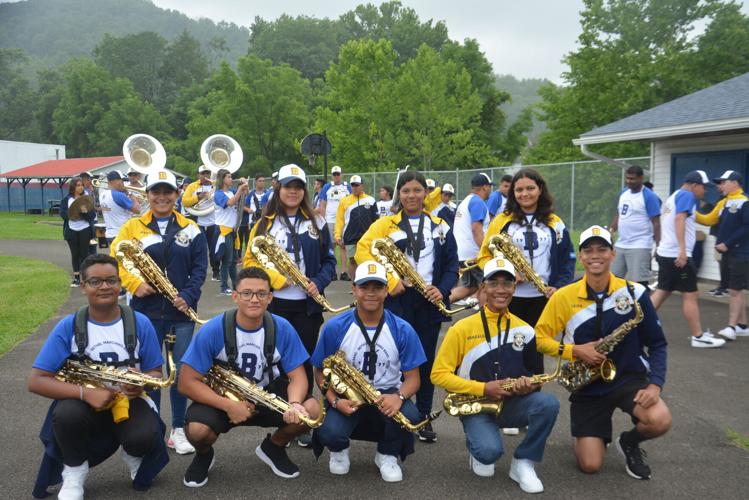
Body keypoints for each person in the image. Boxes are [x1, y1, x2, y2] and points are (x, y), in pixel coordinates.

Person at [535, 225, 671, 480]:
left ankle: (629, 442)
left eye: (602, 249)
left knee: (660, 419)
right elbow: (540, 340)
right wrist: (574, 351)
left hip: (628, 379)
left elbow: (657, 344)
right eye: (588, 250)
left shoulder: (635, 293)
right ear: (581, 255)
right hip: (588, 386)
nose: (595, 255)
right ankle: (594, 435)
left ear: (613, 254)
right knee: (590, 465)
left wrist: (655, 385)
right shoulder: (563, 296)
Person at [28, 254, 168, 499]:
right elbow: (37, 380)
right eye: (95, 281)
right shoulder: (69, 326)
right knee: (65, 414)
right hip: (83, 403)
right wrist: (86, 393)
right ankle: (74, 470)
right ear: (83, 287)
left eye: (111, 280)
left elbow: (156, 371)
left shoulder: (139, 322)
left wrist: (142, 380)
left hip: (129, 401)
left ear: (120, 283)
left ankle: (134, 453)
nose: (104, 286)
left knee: (146, 435)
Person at [178, 267, 321, 485]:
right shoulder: (213, 329)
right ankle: (204, 455)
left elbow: (298, 377)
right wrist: (227, 405)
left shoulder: (282, 327)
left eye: (261, 294)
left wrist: (294, 403)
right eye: (247, 293)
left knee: (310, 411)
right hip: (225, 396)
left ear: (270, 297)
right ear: (235, 296)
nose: (254, 299)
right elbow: (186, 383)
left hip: (265, 395)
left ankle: (274, 447)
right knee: (197, 431)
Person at [431, 257, 559, 492]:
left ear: (514, 288)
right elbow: (438, 375)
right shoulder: (461, 328)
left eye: (507, 283)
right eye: (494, 283)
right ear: (483, 288)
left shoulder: (526, 330)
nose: (501, 290)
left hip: (511, 404)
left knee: (548, 404)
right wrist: (483, 388)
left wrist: (527, 386)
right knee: (488, 455)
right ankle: (478, 444)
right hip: (476, 405)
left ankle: (524, 462)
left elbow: (534, 377)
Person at [355, 170, 458, 444]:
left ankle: (422, 416)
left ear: (426, 193)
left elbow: (451, 265)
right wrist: (389, 280)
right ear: (399, 195)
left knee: (424, 361)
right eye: (406, 191)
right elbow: (362, 251)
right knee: (393, 359)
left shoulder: (440, 225)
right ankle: (393, 410)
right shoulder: (385, 224)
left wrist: (443, 289)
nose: (411, 195)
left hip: (429, 301)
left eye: (417, 190)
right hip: (398, 300)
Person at [112, 169, 208, 455]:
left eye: (168, 192)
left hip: (181, 314)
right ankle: (153, 427)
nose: (162, 197)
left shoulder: (191, 228)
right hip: (145, 313)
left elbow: (200, 268)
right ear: (148, 195)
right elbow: (119, 260)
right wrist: (134, 284)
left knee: (180, 374)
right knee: (150, 373)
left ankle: (178, 429)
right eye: (156, 192)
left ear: (176, 195)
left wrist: (188, 296)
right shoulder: (132, 227)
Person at [243, 163, 337, 446]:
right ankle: (282, 413)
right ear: (278, 189)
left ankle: (303, 420)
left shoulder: (317, 221)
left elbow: (330, 261)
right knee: (277, 362)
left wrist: (317, 282)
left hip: (307, 306)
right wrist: (274, 279)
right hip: (275, 306)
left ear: (303, 191)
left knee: (304, 360)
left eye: (298, 187)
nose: (293, 191)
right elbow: (249, 262)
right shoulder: (263, 223)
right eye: (288, 186)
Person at [311, 260, 426, 482]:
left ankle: (387, 454)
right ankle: (339, 450)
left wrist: (399, 397)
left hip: (386, 394)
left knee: (410, 414)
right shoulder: (336, 327)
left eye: (377, 288)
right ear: (354, 290)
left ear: (386, 291)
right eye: (364, 287)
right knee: (329, 429)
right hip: (348, 396)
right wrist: (335, 401)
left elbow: (413, 379)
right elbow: (319, 371)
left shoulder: (402, 329)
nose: (371, 294)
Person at [477, 167, 575, 333]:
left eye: (530, 188)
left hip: (543, 297)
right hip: (507, 297)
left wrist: (558, 286)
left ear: (540, 189)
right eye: (519, 190)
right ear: (512, 192)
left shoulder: (555, 221)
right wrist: (505, 270)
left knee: (536, 349)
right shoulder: (501, 221)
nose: (525, 194)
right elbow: (483, 257)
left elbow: (568, 258)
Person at [650, 170, 725, 348]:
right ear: (694, 185)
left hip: (666, 253)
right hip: (677, 256)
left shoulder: (675, 195)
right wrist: (682, 251)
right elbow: (679, 219)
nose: (705, 191)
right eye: (703, 187)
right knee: (691, 295)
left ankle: (635, 327)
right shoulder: (687, 196)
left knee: (662, 291)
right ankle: (698, 337)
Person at [695, 170, 749, 340]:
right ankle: (742, 326)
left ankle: (731, 327)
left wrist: (728, 243)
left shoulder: (745, 201)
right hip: (728, 251)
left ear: (734, 182)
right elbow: (709, 219)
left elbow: (747, 227)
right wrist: (690, 213)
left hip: (740, 252)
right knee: (736, 289)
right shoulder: (724, 202)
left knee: (734, 290)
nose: (720, 186)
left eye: (723, 182)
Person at [610, 166, 661, 287]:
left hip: (640, 244)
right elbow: (620, 214)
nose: (629, 181)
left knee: (638, 283)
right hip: (621, 244)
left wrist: (659, 245)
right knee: (612, 280)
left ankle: (642, 306)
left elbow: (656, 223)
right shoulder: (624, 193)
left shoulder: (649, 196)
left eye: (632, 179)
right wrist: (611, 231)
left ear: (641, 178)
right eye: (627, 178)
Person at [450, 173, 494, 303]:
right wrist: (486, 252)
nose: (490, 190)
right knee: (488, 285)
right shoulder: (477, 202)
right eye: (490, 187)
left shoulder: (466, 201)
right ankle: (486, 317)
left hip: (462, 253)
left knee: (470, 287)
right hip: (474, 255)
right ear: (485, 187)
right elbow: (476, 229)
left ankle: (439, 304)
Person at [335, 175, 378, 280]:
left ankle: (365, 283)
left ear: (362, 186)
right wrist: (337, 235)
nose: (355, 187)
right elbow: (339, 220)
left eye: (357, 185)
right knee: (353, 260)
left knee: (366, 260)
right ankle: (355, 284)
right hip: (350, 235)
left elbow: (376, 220)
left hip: (367, 236)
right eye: (353, 185)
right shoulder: (344, 201)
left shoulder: (371, 200)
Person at [213, 168, 249, 295]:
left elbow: (244, 195)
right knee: (226, 259)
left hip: (233, 230)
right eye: (228, 177)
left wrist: (245, 185)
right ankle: (223, 286)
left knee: (233, 259)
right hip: (223, 230)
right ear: (222, 179)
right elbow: (230, 202)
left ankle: (235, 285)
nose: (231, 179)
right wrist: (240, 189)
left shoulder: (232, 191)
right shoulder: (218, 194)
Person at [182, 165, 221, 281]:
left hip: (213, 221)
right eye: (203, 173)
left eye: (207, 173)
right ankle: (199, 272)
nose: (206, 176)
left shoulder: (215, 186)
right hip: (199, 222)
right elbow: (184, 201)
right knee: (200, 250)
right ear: (198, 175)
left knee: (214, 249)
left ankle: (216, 271)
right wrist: (198, 198)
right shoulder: (193, 186)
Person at [60, 176, 96, 287]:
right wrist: (72, 215)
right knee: (75, 254)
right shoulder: (67, 200)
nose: (80, 187)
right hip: (71, 230)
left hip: (84, 229)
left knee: (84, 254)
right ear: (73, 187)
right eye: (78, 185)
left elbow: (92, 216)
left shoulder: (87, 199)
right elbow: (62, 214)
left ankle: (86, 278)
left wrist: (85, 212)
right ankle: (76, 278)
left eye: (81, 185)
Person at [319, 165, 352, 280]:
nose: (336, 176)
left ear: (341, 174)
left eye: (338, 174)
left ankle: (343, 272)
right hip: (330, 220)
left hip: (344, 221)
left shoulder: (347, 187)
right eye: (334, 174)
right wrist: (322, 220)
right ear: (332, 175)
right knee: (331, 246)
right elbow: (322, 204)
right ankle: (332, 271)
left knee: (343, 246)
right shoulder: (327, 187)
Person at [100, 170, 141, 246]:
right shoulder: (119, 195)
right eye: (121, 181)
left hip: (110, 233)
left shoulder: (102, 194)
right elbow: (137, 210)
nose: (123, 184)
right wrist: (131, 195)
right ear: (115, 181)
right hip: (121, 233)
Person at [237, 174, 265, 260]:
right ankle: (250, 258)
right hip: (252, 221)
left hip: (264, 221)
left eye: (263, 181)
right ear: (256, 182)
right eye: (260, 181)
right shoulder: (251, 194)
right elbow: (243, 205)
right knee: (251, 241)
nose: (262, 183)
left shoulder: (267, 193)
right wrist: (248, 210)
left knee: (263, 241)